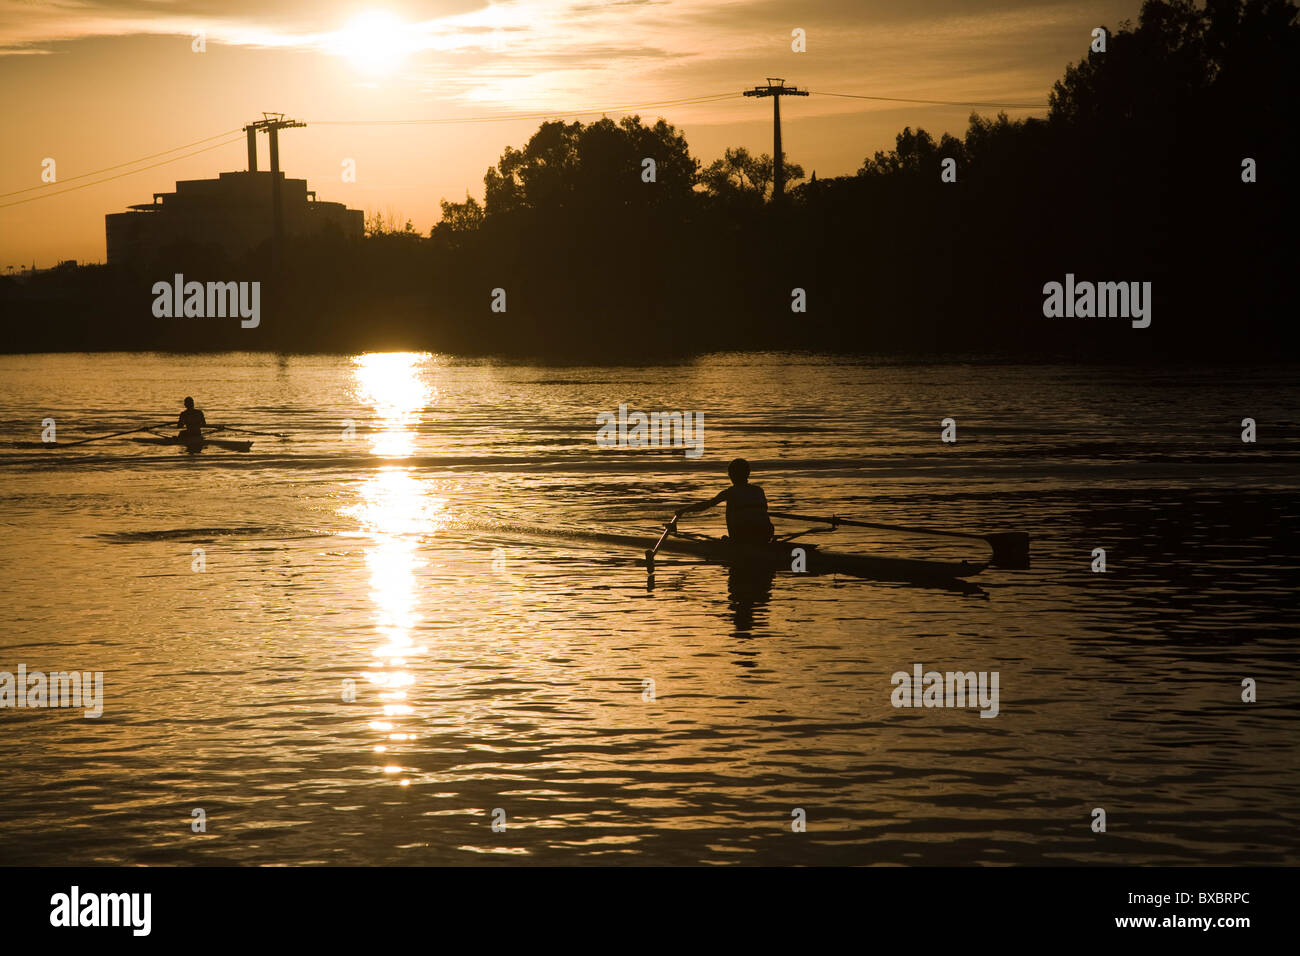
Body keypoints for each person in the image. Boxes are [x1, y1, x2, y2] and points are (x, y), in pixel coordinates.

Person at [674, 458, 774, 545]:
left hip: (742, 539)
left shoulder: (729, 493)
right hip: (765, 536)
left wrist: (683, 510)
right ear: (748, 474)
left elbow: (706, 505)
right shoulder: (759, 490)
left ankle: (735, 541)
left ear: (731, 475)